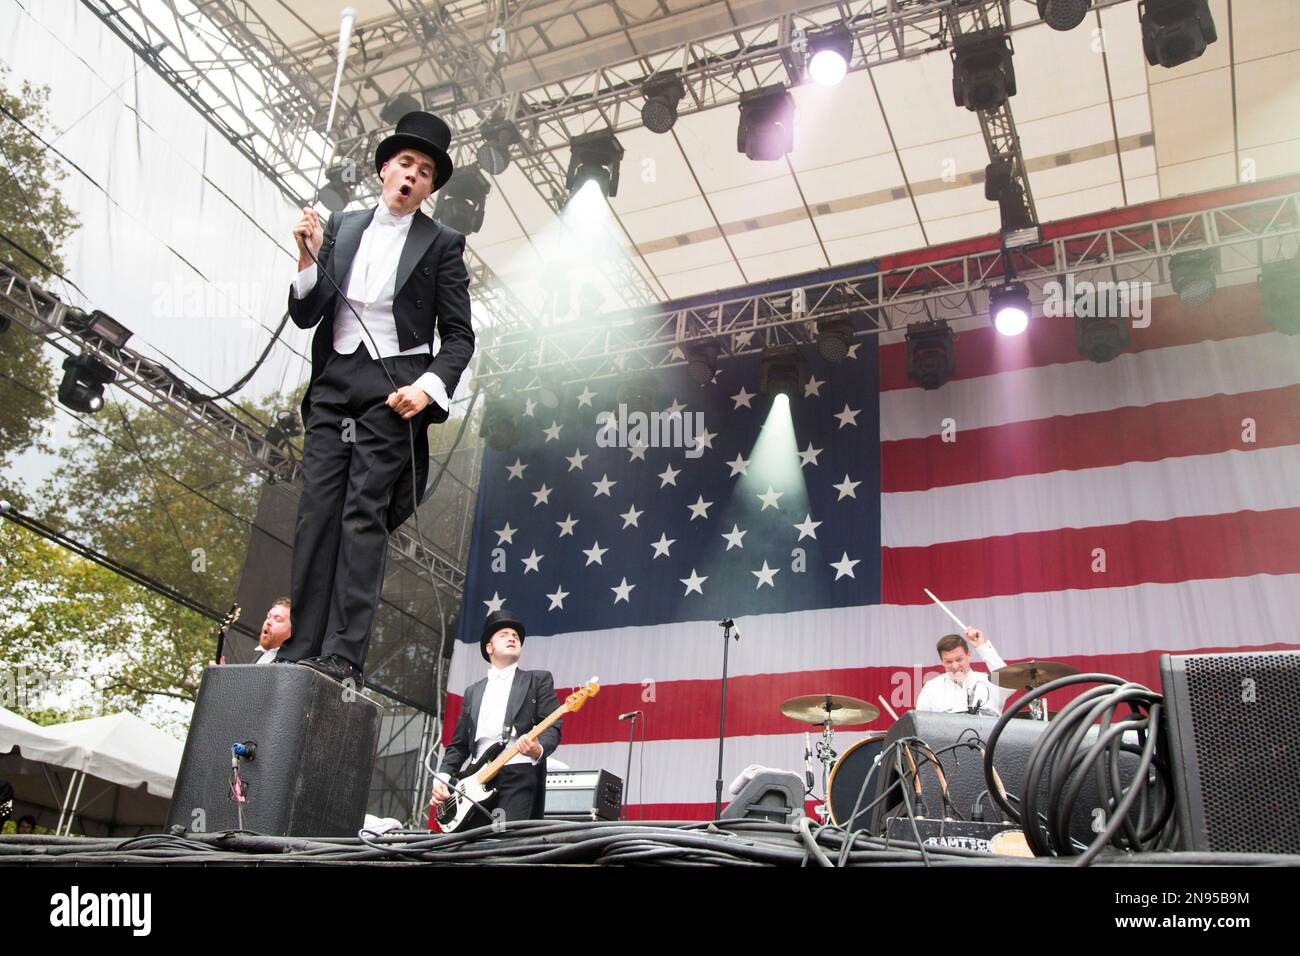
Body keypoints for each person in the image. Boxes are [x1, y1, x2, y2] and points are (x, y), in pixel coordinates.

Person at [278, 110, 475, 689]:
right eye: (406, 164)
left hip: (393, 392)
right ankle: (301, 646)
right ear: (385, 168)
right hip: (334, 381)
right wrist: (308, 257)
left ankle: (342, 653)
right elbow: (305, 313)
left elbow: (460, 337)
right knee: (317, 511)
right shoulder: (338, 225)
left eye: (425, 171)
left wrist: (427, 388)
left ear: (431, 187)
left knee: (362, 515)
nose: (412, 176)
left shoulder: (442, 245)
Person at [431, 610, 561, 823]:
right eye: (504, 634)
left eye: (516, 636)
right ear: (489, 648)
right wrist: (443, 778)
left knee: (506, 842)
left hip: (517, 771)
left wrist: (538, 748)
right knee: (471, 844)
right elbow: (459, 745)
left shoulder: (538, 680)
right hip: (475, 778)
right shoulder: (473, 691)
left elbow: (553, 724)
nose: (512, 638)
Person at [915, 627, 1007, 716]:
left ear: (969, 655)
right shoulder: (931, 687)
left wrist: (982, 647)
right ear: (941, 661)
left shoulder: (989, 682)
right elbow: (919, 725)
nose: (954, 666)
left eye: (959, 659)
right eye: (949, 661)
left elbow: (1008, 680)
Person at [255, 598, 293, 663]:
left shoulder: (291, 664)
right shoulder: (259, 655)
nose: (268, 622)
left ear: (292, 630)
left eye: (278, 619)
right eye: (268, 617)